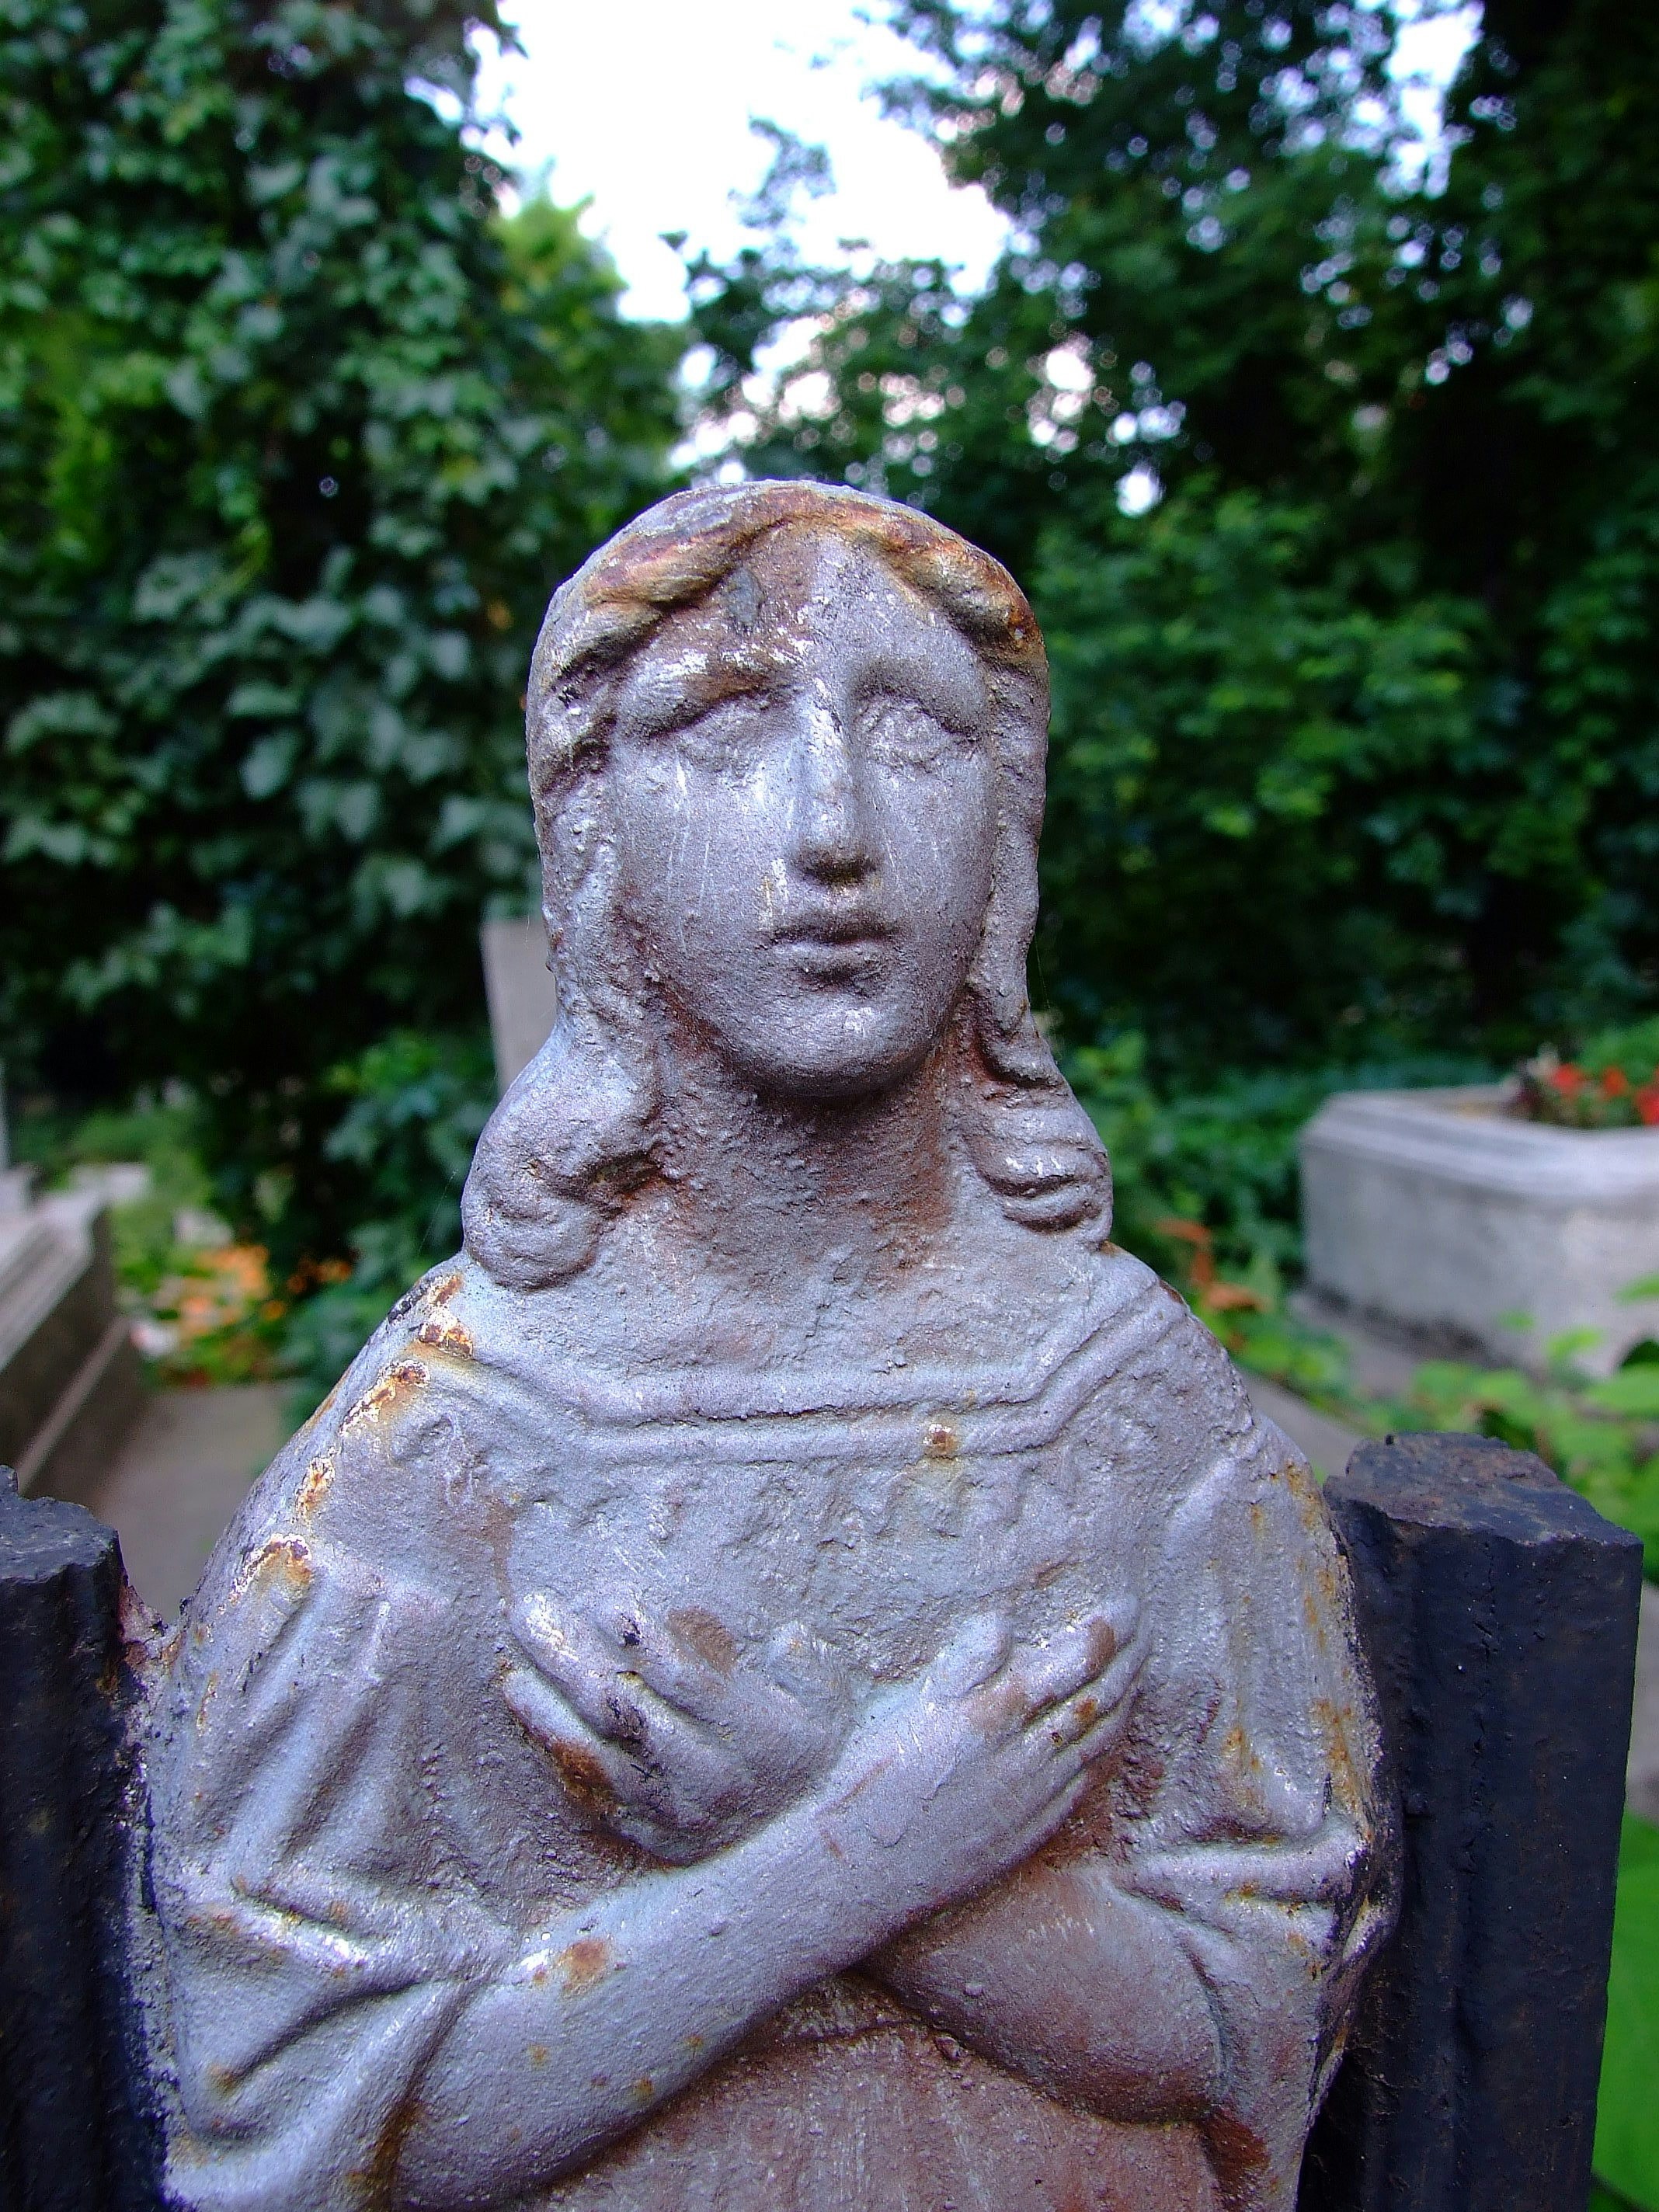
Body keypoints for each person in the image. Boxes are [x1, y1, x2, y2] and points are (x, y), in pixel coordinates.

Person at [144, 481, 1393, 2212]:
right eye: (723, 735)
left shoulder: (1134, 1407)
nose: (834, 830)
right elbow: (297, 2119)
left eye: (917, 739)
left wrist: (823, 1808)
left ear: (1008, 837)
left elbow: (1246, 2027)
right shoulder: (450, 1448)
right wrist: (842, 1855)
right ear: (596, 842)